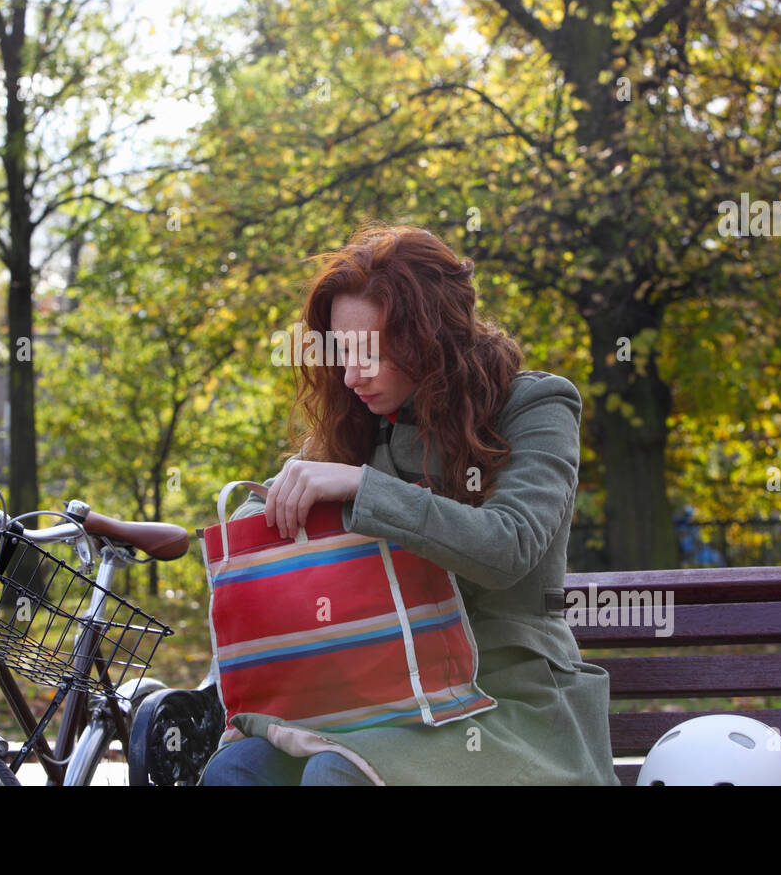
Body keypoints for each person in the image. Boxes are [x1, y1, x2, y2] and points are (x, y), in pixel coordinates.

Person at [199, 222, 620, 786]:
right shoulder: (357, 428)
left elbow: (508, 547)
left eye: (370, 353)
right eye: (342, 354)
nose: (350, 377)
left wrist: (362, 488)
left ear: (430, 336)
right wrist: (251, 528)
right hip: (375, 697)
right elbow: (274, 524)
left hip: (508, 702)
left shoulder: (535, 405)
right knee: (238, 767)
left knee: (336, 772)